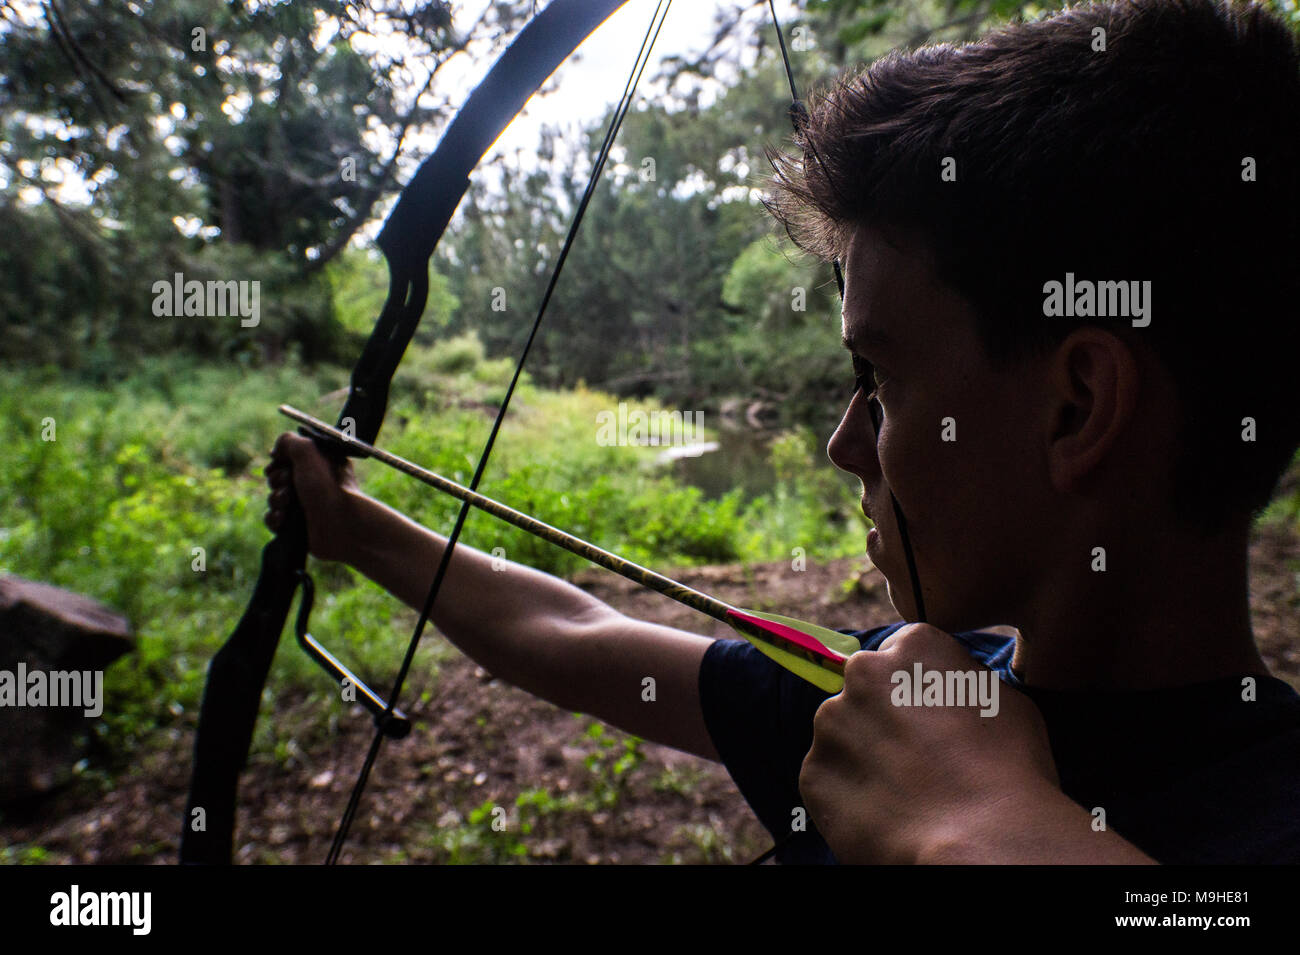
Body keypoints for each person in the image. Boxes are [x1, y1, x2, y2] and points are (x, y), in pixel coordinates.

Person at [267, 0, 1300, 863]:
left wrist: (976, 830)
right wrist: (352, 528)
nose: (844, 442)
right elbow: (571, 634)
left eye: (882, 380)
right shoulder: (901, 698)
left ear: (1075, 408)